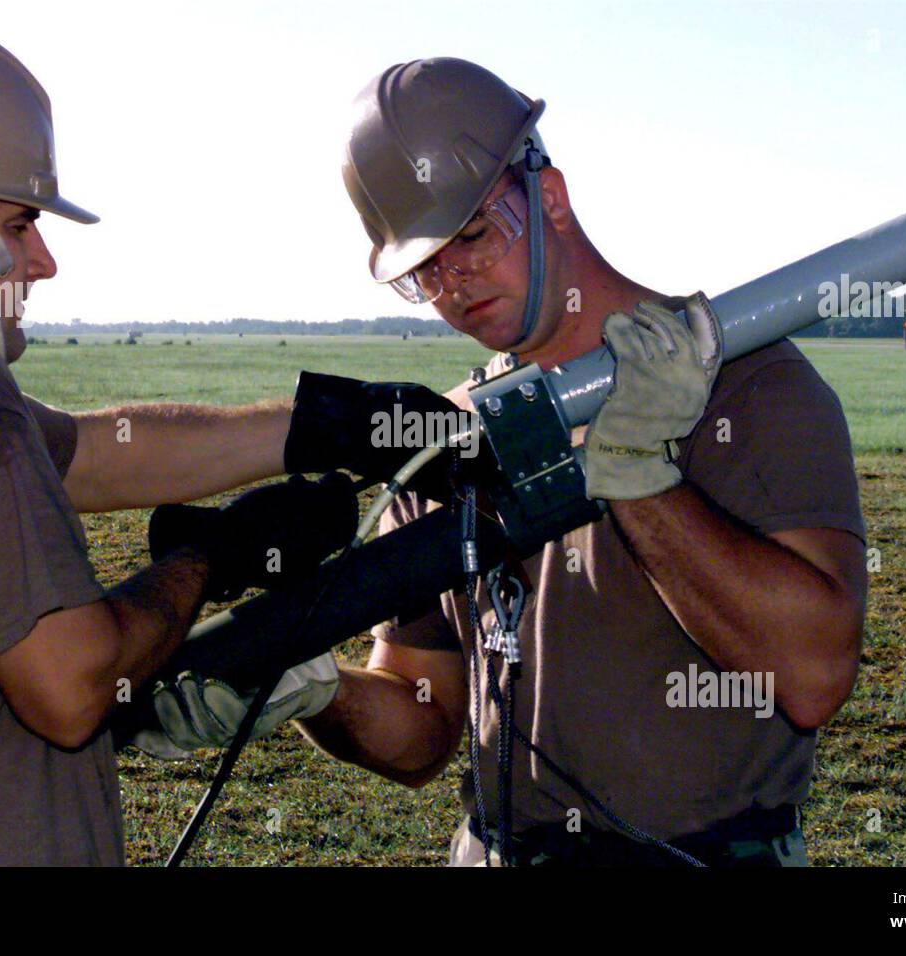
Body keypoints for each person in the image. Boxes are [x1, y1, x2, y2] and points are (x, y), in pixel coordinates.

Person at [0, 21, 426, 866]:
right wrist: (206, 561)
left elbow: (102, 452)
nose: (41, 260)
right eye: (17, 224)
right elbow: (72, 689)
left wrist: (330, 423)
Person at [296, 58, 869, 866]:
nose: (452, 281)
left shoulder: (746, 384)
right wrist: (315, 691)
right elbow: (421, 727)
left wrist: (640, 480)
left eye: (470, 236)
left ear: (550, 197)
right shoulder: (452, 439)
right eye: (423, 268)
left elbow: (812, 676)